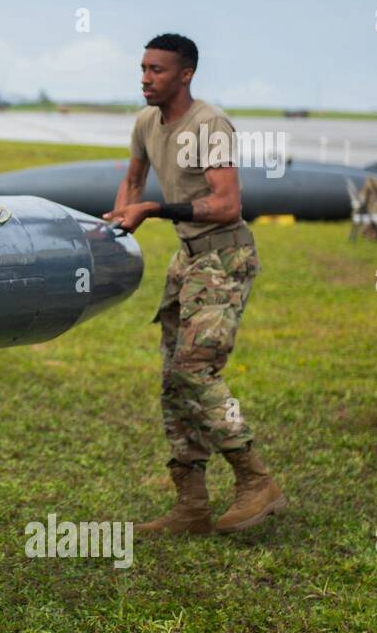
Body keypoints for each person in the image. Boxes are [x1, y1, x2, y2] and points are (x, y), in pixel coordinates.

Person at [104, 33, 287, 535]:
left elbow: (228, 204)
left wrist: (154, 210)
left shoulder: (209, 125)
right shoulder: (146, 122)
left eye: (157, 70)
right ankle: (191, 506)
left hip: (225, 255)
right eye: (143, 68)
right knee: (172, 379)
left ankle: (256, 481)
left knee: (195, 368)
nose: (145, 78)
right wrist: (120, 216)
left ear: (185, 75)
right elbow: (134, 180)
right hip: (187, 259)